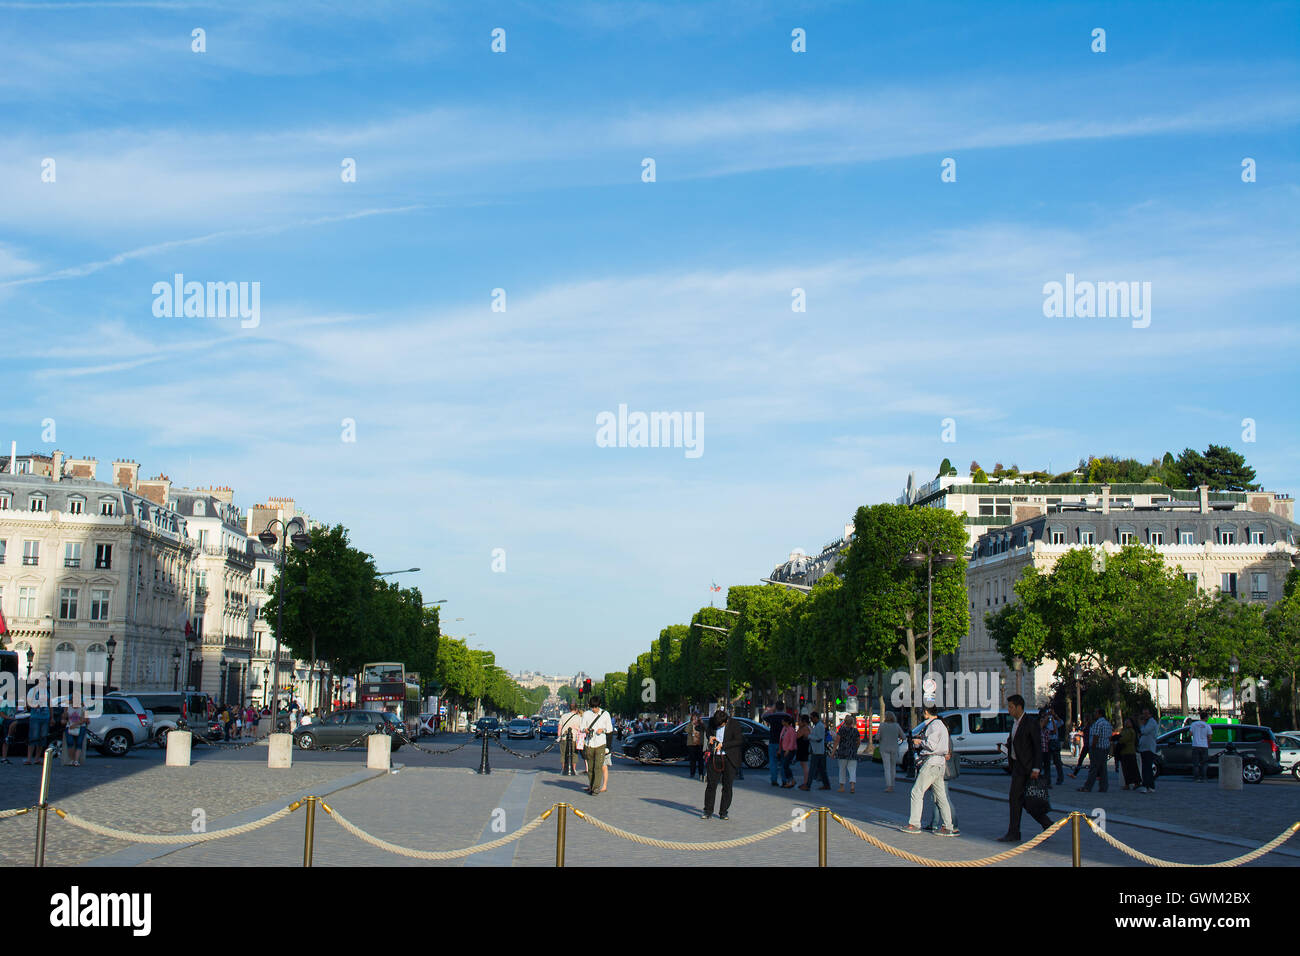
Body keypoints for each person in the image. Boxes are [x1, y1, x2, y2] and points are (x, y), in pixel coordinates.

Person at [998, 694, 1051, 842]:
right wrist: (1004, 748)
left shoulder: (1030, 723)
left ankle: (1018, 831)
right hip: (1017, 767)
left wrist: (1036, 768)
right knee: (1019, 800)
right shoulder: (1014, 723)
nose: (1008, 710)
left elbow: (1037, 748)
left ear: (1019, 707)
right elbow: (1015, 743)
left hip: (1027, 768)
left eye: (1010, 707)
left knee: (1023, 800)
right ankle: (1043, 824)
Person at [901, 701, 956, 836]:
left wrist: (919, 742)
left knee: (917, 791)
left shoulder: (933, 725)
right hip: (940, 763)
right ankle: (948, 826)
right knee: (941, 796)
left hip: (931, 762)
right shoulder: (941, 724)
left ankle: (914, 824)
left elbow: (931, 745)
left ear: (926, 712)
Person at [701, 708, 745, 820]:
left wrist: (723, 745)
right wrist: (710, 737)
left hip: (729, 757)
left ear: (725, 721)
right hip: (715, 756)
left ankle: (723, 811)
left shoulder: (734, 724)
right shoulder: (713, 721)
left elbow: (739, 740)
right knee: (711, 785)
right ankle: (708, 810)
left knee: (727, 785)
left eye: (721, 725)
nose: (719, 727)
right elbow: (708, 731)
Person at [581, 696, 612, 796]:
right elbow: (581, 727)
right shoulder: (586, 714)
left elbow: (610, 729)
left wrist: (602, 730)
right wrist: (585, 729)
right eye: (592, 707)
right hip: (589, 743)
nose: (594, 709)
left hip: (600, 743)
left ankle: (595, 788)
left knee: (598, 767)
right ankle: (592, 785)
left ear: (599, 706)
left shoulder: (605, 714)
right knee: (590, 768)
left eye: (595, 707)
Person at [1077, 709, 1112, 793]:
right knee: (1103, 769)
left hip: (1097, 748)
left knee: (1093, 768)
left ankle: (1087, 787)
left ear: (1099, 714)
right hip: (1105, 747)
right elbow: (1110, 737)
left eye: (1095, 712)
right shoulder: (1107, 724)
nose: (1094, 714)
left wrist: (1092, 747)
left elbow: (1095, 737)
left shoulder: (1098, 724)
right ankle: (1103, 787)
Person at [761, 701, 792, 787]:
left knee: (773, 762)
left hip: (773, 741)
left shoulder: (771, 716)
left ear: (776, 707)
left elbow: (763, 716)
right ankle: (784, 780)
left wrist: (770, 709)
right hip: (784, 743)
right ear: (783, 707)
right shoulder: (787, 716)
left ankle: (774, 780)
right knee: (783, 762)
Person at [800, 711, 830, 791]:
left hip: (817, 751)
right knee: (822, 769)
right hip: (817, 750)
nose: (811, 720)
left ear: (816, 717)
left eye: (812, 718)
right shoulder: (818, 726)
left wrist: (809, 736)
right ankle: (826, 784)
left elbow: (819, 738)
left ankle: (808, 785)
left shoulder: (819, 726)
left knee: (812, 769)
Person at [874, 712, 903, 791]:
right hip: (894, 748)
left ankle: (888, 785)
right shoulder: (897, 726)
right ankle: (892, 784)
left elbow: (877, 737)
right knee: (893, 767)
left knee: (887, 767)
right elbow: (903, 736)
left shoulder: (882, 726)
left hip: (884, 748)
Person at [25, 684, 51, 765]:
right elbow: (28, 703)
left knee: (42, 738)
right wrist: (35, 705)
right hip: (35, 717)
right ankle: (29, 758)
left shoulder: (48, 691)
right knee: (33, 737)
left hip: (45, 717)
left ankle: (37, 758)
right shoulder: (32, 690)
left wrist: (52, 717)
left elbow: (50, 705)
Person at [1040, 706, 1065, 786]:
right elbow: (1042, 726)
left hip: (1054, 741)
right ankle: (1047, 780)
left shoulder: (1053, 721)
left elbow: (1061, 722)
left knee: (1057, 761)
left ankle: (1060, 778)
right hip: (1047, 742)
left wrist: (1055, 716)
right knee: (1046, 763)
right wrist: (1047, 717)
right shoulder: (1043, 722)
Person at [557, 700, 583, 776]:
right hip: (575, 738)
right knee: (574, 754)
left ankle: (563, 769)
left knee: (563, 754)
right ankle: (573, 769)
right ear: (576, 709)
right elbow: (581, 729)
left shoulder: (564, 716)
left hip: (564, 737)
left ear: (569, 708)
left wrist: (559, 737)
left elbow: (559, 727)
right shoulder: (579, 718)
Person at [835, 714, 860, 793]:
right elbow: (858, 741)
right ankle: (852, 786)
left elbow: (837, 741)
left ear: (845, 722)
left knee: (842, 770)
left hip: (842, 752)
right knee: (852, 770)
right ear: (852, 722)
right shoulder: (855, 731)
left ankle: (842, 787)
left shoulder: (841, 730)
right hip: (852, 752)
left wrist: (833, 752)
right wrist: (855, 748)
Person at [1138, 708, 1159, 793]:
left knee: (1146, 768)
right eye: (1144, 714)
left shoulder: (1151, 722)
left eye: (1146, 714)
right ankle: (1150, 785)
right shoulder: (1148, 722)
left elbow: (1144, 731)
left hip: (1148, 748)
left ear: (1150, 714)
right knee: (1147, 768)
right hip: (1144, 748)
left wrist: (1141, 725)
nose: (1144, 716)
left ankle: (1146, 785)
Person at [1116, 717, 1140, 789]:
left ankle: (1134, 783)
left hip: (1129, 752)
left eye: (1128, 722)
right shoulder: (1125, 730)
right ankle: (1129, 783)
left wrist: (1118, 738)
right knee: (1126, 769)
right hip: (1124, 752)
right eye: (1126, 722)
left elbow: (1123, 739)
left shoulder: (1131, 731)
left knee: (1131, 769)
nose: (1127, 723)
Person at [64, 699, 88, 767]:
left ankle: (76, 760)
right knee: (70, 742)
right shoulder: (68, 706)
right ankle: (72, 760)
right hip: (69, 726)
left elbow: (85, 719)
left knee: (79, 743)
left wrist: (75, 724)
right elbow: (64, 717)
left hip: (80, 727)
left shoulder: (84, 707)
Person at [1189, 709, 1211, 781]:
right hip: (1204, 746)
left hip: (1195, 745)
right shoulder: (1207, 726)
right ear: (1205, 718)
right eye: (1207, 717)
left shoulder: (1194, 724)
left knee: (1196, 763)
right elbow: (1210, 737)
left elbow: (1190, 734)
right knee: (1204, 763)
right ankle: (1204, 777)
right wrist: (1208, 744)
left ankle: (1196, 778)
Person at [685, 712, 705, 781]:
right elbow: (686, 730)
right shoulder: (690, 724)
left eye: (697, 717)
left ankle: (701, 773)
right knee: (692, 760)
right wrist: (692, 723)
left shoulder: (701, 724)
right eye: (694, 717)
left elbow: (705, 729)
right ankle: (692, 773)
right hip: (691, 744)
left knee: (700, 760)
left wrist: (701, 722)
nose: (695, 719)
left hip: (699, 744)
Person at [778, 717, 798, 787]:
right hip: (783, 749)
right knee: (784, 765)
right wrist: (780, 749)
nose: (782, 722)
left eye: (783, 721)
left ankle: (791, 780)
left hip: (790, 750)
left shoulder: (791, 730)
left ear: (786, 722)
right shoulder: (784, 729)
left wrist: (788, 750)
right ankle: (790, 781)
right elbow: (781, 739)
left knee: (786, 765)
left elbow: (792, 741)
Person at [795, 713, 811, 786]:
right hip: (804, 748)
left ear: (804, 722)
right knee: (804, 764)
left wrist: (799, 729)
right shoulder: (808, 727)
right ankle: (806, 782)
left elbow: (797, 736)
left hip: (803, 748)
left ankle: (806, 782)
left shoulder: (804, 729)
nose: (798, 722)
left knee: (804, 765)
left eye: (800, 721)